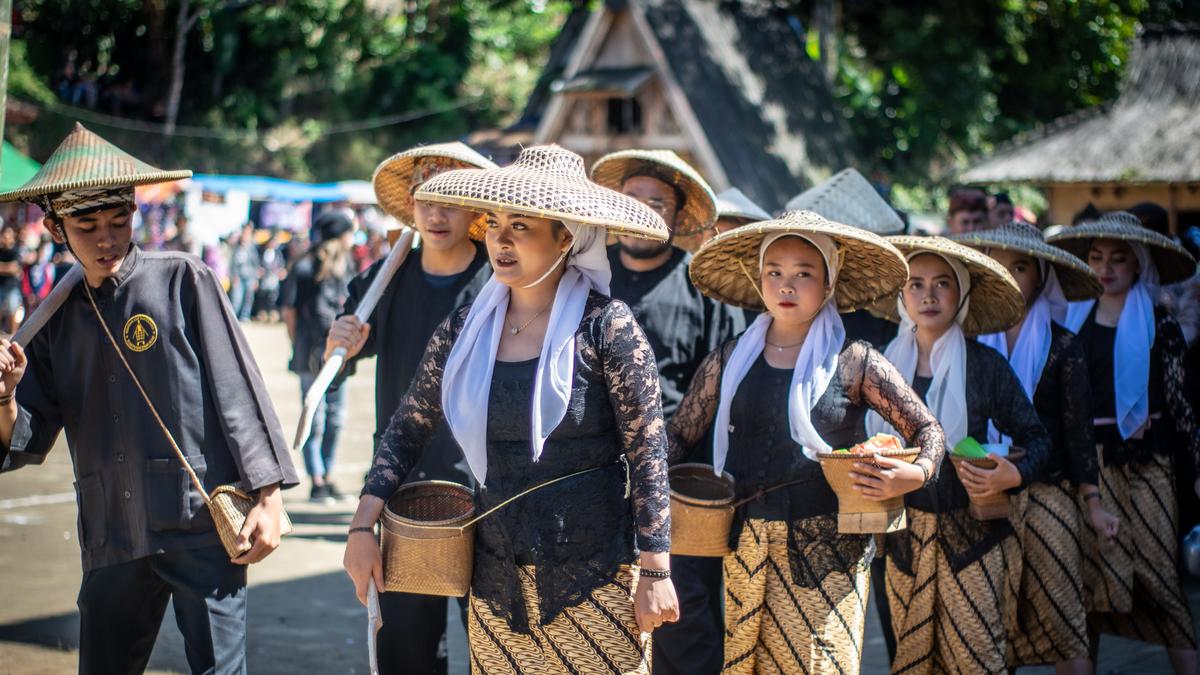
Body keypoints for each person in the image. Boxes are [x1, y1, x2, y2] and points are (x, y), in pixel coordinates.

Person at [342, 145, 680, 674]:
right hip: (497, 577)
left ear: (565, 237)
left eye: (521, 226)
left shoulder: (607, 328)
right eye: (495, 222)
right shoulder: (465, 330)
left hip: (597, 576)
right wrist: (363, 525)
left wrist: (656, 569)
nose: (499, 239)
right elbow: (408, 426)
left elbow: (648, 452)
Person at [0, 123, 297, 675]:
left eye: (119, 221)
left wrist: (269, 497)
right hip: (112, 531)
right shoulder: (51, 319)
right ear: (55, 227)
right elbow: (25, 436)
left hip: (198, 524)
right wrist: (5, 397)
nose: (106, 238)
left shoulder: (183, 279)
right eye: (86, 225)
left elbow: (238, 391)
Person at [673, 210, 945, 673]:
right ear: (758, 280)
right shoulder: (730, 358)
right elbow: (680, 434)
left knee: (821, 664)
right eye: (774, 272)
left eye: (804, 274)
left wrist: (914, 473)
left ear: (829, 283)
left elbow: (928, 431)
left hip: (828, 552)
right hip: (746, 547)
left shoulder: (854, 362)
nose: (786, 285)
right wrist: (637, 478)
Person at [325, 142, 496, 675]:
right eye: (427, 200)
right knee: (407, 653)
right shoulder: (382, 283)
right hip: (404, 494)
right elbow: (338, 362)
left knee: (497, 648)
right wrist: (340, 344)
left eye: (452, 200)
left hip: (488, 491)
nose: (438, 214)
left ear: (474, 210)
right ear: (412, 206)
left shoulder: (499, 282)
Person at [865, 236, 1051, 674]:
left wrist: (1012, 474)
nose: (928, 295)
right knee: (911, 663)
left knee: (978, 661)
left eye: (942, 283)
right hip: (902, 543)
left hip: (975, 542)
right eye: (916, 284)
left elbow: (1038, 439)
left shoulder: (986, 366)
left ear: (962, 293)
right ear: (901, 296)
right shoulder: (880, 369)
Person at [591, 148, 745, 674]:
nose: (642, 209)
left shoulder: (701, 286)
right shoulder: (588, 278)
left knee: (686, 611)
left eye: (656, 202)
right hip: (594, 472)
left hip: (680, 480)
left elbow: (722, 384)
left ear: (677, 218)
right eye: (631, 198)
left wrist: (661, 450)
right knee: (604, 611)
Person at [952, 221, 1119, 674]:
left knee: (1064, 619)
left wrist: (1093, 503)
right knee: (990, 622)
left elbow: (1079, 432)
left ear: (1041, 276)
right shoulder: (965, 347)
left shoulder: (1065, 346)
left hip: (1049, 495)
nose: (1008, 276)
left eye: (1021, 267)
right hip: (983, 497)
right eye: (998, 266)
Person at [1050, 212, 1200, 674]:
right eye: (1096, 257)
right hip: (1087, 465)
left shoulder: (1161, 324)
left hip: (1147, 463)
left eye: (1119, 259)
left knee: (1160, 579)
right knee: (1085, 583)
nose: (1106, 267)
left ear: (1139, 265)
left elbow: (1181, 406)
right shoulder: (1072, 324)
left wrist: (1196, 470)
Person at [282, 211, 356, 502]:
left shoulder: (346, 266)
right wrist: (296, 344)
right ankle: (316, 479)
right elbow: (289, 312)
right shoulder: (304, 266)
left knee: (336, 417)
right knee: (316, 416)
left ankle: (327, 474)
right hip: (311, 350)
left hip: (339, 352)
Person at [228, 223, 260, 321]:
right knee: (236, 298)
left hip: (249, 276)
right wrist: (233, 276)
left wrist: (255, 279)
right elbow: (232, 263)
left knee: (248, 298)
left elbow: (256, 264)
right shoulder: (236, 246)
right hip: (238, 276)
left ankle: (244, 317)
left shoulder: (252, 247)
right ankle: (233, 317)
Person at [0, 225, 25, 334]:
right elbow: (10, 268)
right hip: (1, 287)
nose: (5, 237)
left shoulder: (16, 251)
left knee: (12, 313)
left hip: (12, 289)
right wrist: (6, 267)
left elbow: (14, 268)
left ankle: (12, 337)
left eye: (8, 234)